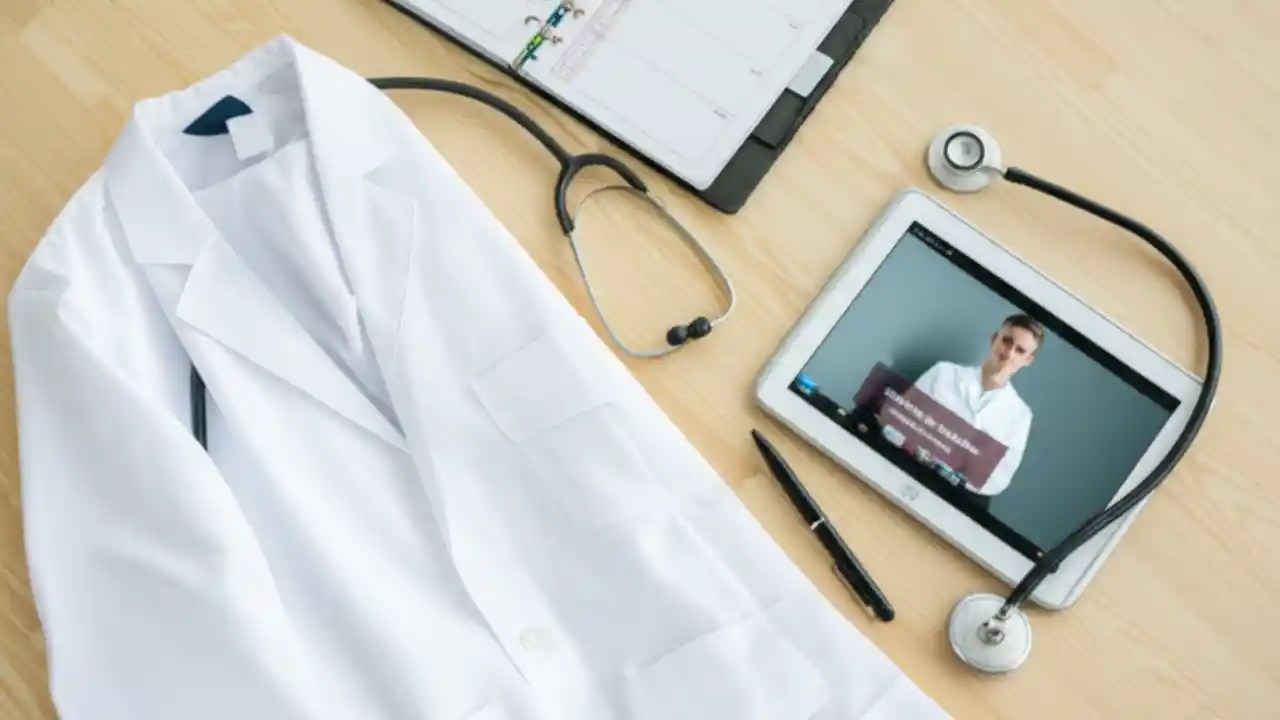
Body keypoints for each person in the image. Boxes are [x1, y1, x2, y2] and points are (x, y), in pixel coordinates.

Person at [913, 313, 1042, 500]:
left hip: (957, 498)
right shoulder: (943, 373)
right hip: (910, 468)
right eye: (1007, 341)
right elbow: (900, 419)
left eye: (1020, 350)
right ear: (994, 339)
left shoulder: (1020, 415)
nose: (1009, 354)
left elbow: (998, 478)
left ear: (1028, 360)